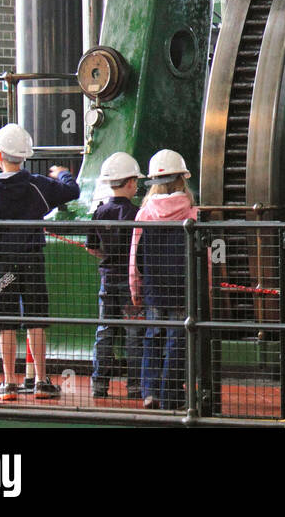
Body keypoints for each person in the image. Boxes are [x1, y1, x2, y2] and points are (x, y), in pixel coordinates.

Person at [0, 123, 80, 401]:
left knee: (6, 322)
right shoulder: (39, 186)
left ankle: (9, 382)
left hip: (3, 266)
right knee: (36, 318)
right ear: (25, 157)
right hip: (32, 259)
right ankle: (41, 381)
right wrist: (63, 174)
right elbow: (72, 191)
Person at [129, 149, 197, 410]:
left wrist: (135, 287)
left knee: (152, 339)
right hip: (183, 289)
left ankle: (150, 393)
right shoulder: (192, 214)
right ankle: (171, 395)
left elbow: (136, 257)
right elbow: (204, 261)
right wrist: (207, 291)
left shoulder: (144, 214)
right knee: (176, 342)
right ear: (182, 179)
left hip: (154, 290)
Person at [85, 152, 144, 400]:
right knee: (134, 333)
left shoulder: (99, 212)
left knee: (105, 331)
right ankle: (135, 386)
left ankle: (100, 384)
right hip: (131, 284)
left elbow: (92, 247)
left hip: (107, 280)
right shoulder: (137, 213)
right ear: (130, 182)